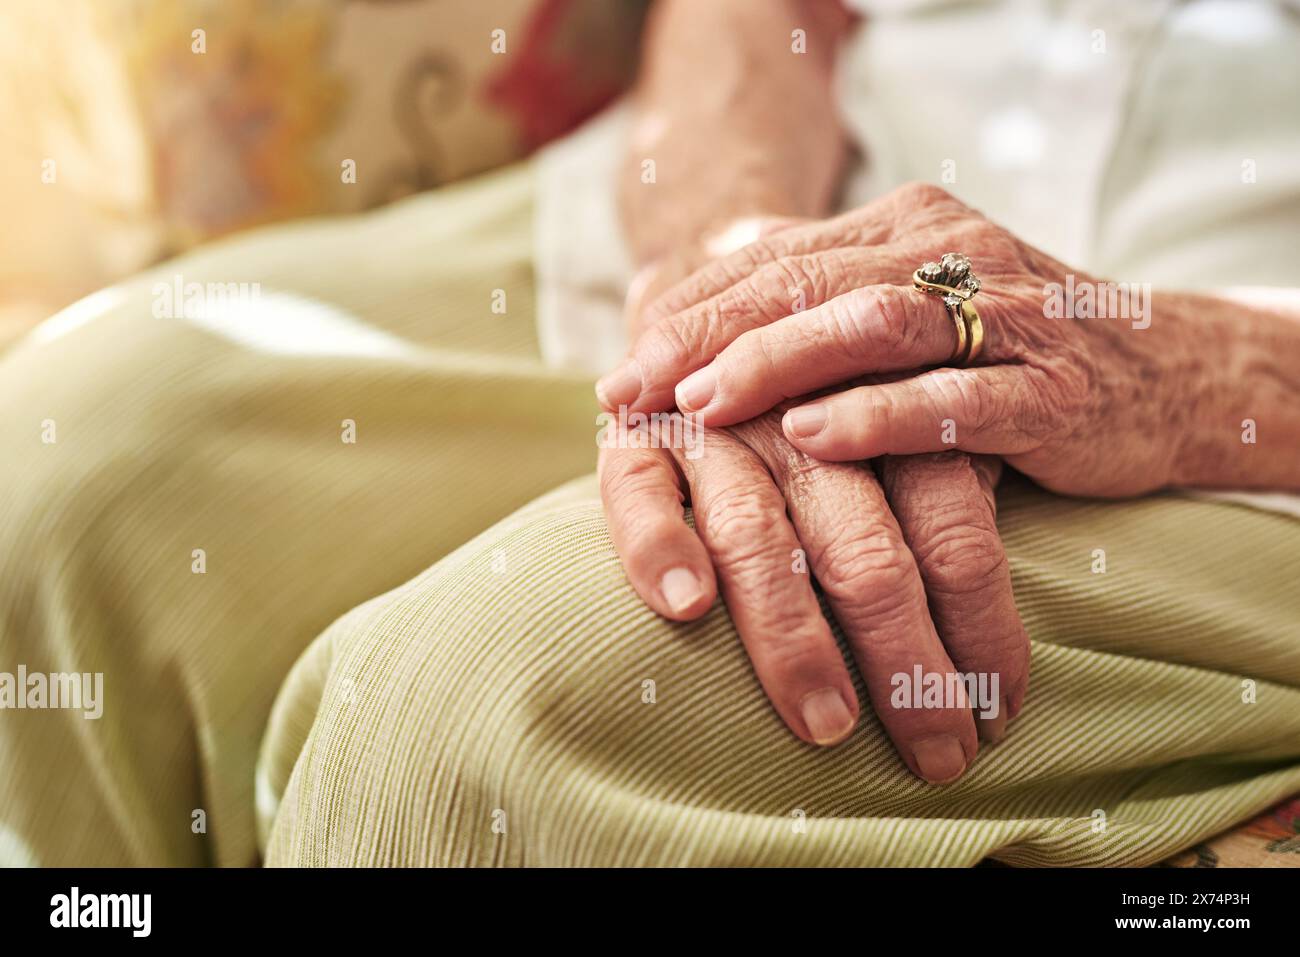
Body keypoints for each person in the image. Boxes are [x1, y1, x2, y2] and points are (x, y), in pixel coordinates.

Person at [2, 0, 1298, 869]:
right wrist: (731, 273)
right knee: (70, 480)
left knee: (477, 722)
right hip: (800, 185)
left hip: (1234, 383)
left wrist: (1186, 367)